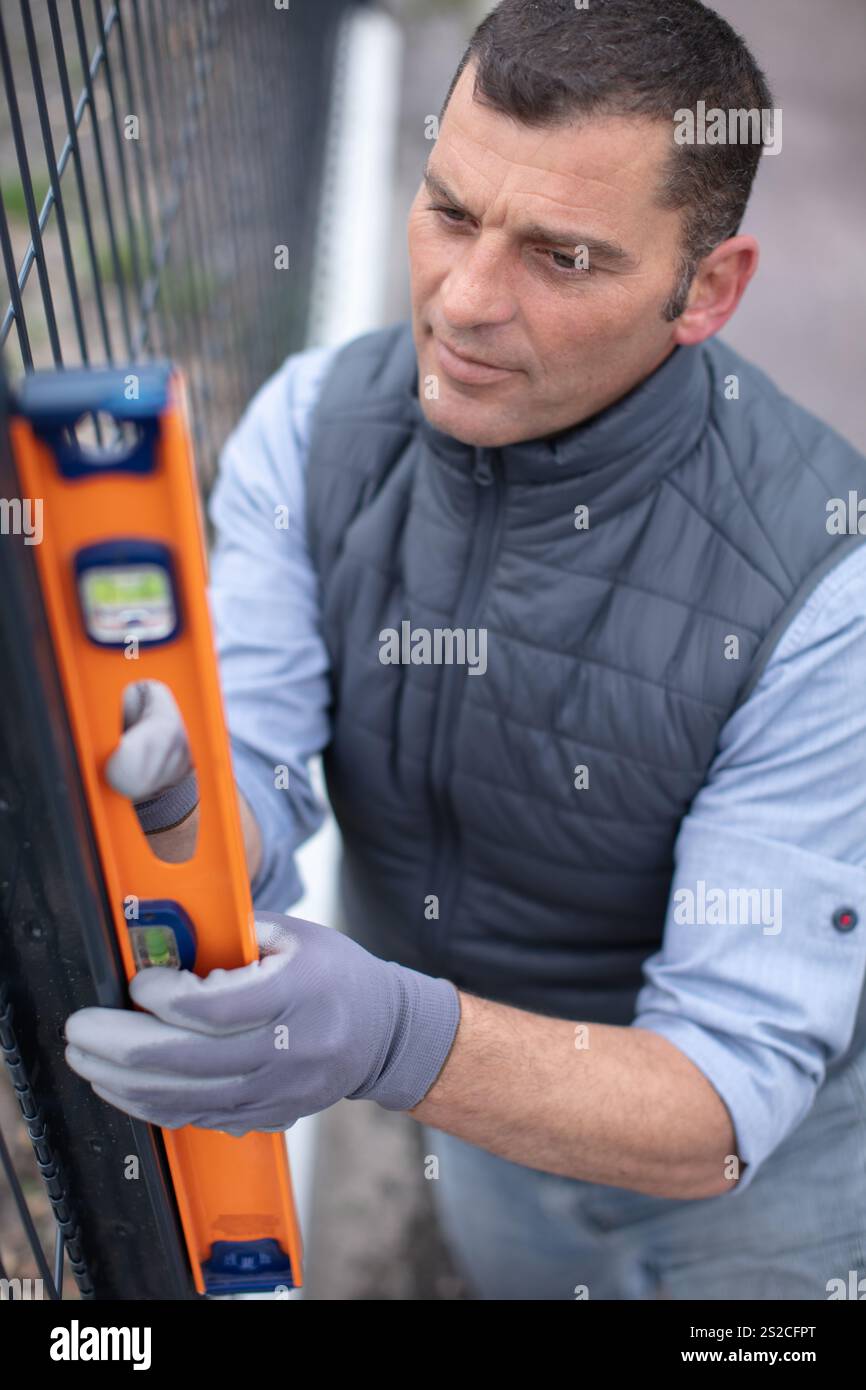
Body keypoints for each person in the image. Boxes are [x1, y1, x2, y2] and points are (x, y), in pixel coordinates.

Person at [65, 0, 866, 1300]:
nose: (465, 303)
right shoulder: (310, 428)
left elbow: (723, 1098)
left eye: (561, 257)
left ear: (704, 289)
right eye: (448, 211)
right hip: (487, 1134)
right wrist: (191, 802)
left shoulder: (828, 591)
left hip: (763, 1227)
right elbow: (252, 764)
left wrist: (390, 1030)